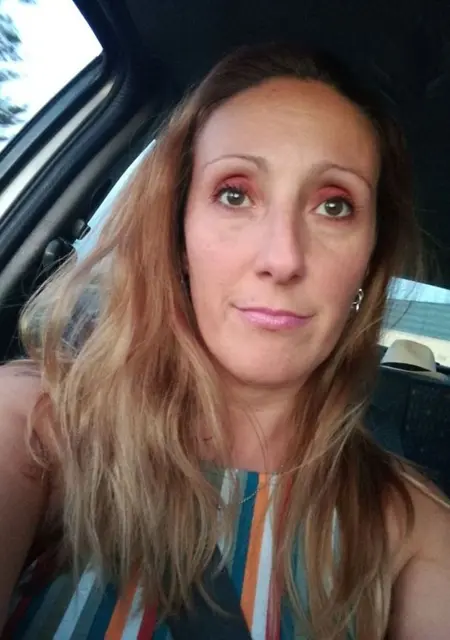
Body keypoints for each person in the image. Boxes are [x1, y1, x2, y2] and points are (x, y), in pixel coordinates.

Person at [0, 43, 449, 639]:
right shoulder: (36, 428)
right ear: (178, 232)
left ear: (369, 261)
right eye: (235, 194)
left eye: (334, 206)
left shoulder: (413, 529)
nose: (283, 259)